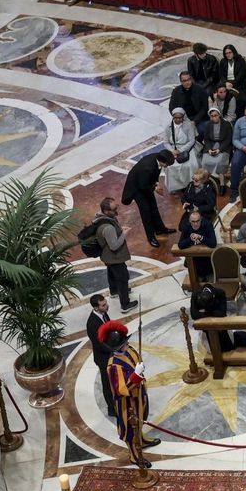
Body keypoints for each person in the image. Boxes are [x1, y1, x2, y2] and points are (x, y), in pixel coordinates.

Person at [100, 319, 157, 461]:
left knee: (141, 419)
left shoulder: (130, 350)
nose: (126, 345)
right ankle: (134, 455)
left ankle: (142, 440)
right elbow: (121, 389)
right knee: (130, 429)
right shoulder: (113, 366)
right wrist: (136, 375)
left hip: (140, 394)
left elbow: (138, 360)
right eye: (123, 344)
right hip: (127, 403)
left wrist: (140, 369)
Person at [87, 197, 134, 311]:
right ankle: (125, 304)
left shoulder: (101, 218)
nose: (116, 211)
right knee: (122, 278)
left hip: (107, 256)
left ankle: (113, 291)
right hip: (114, 257)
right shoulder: (107, 227)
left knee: (111, 273)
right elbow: (114, 246)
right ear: (106, 211)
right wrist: (124, 234)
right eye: (114, 209)